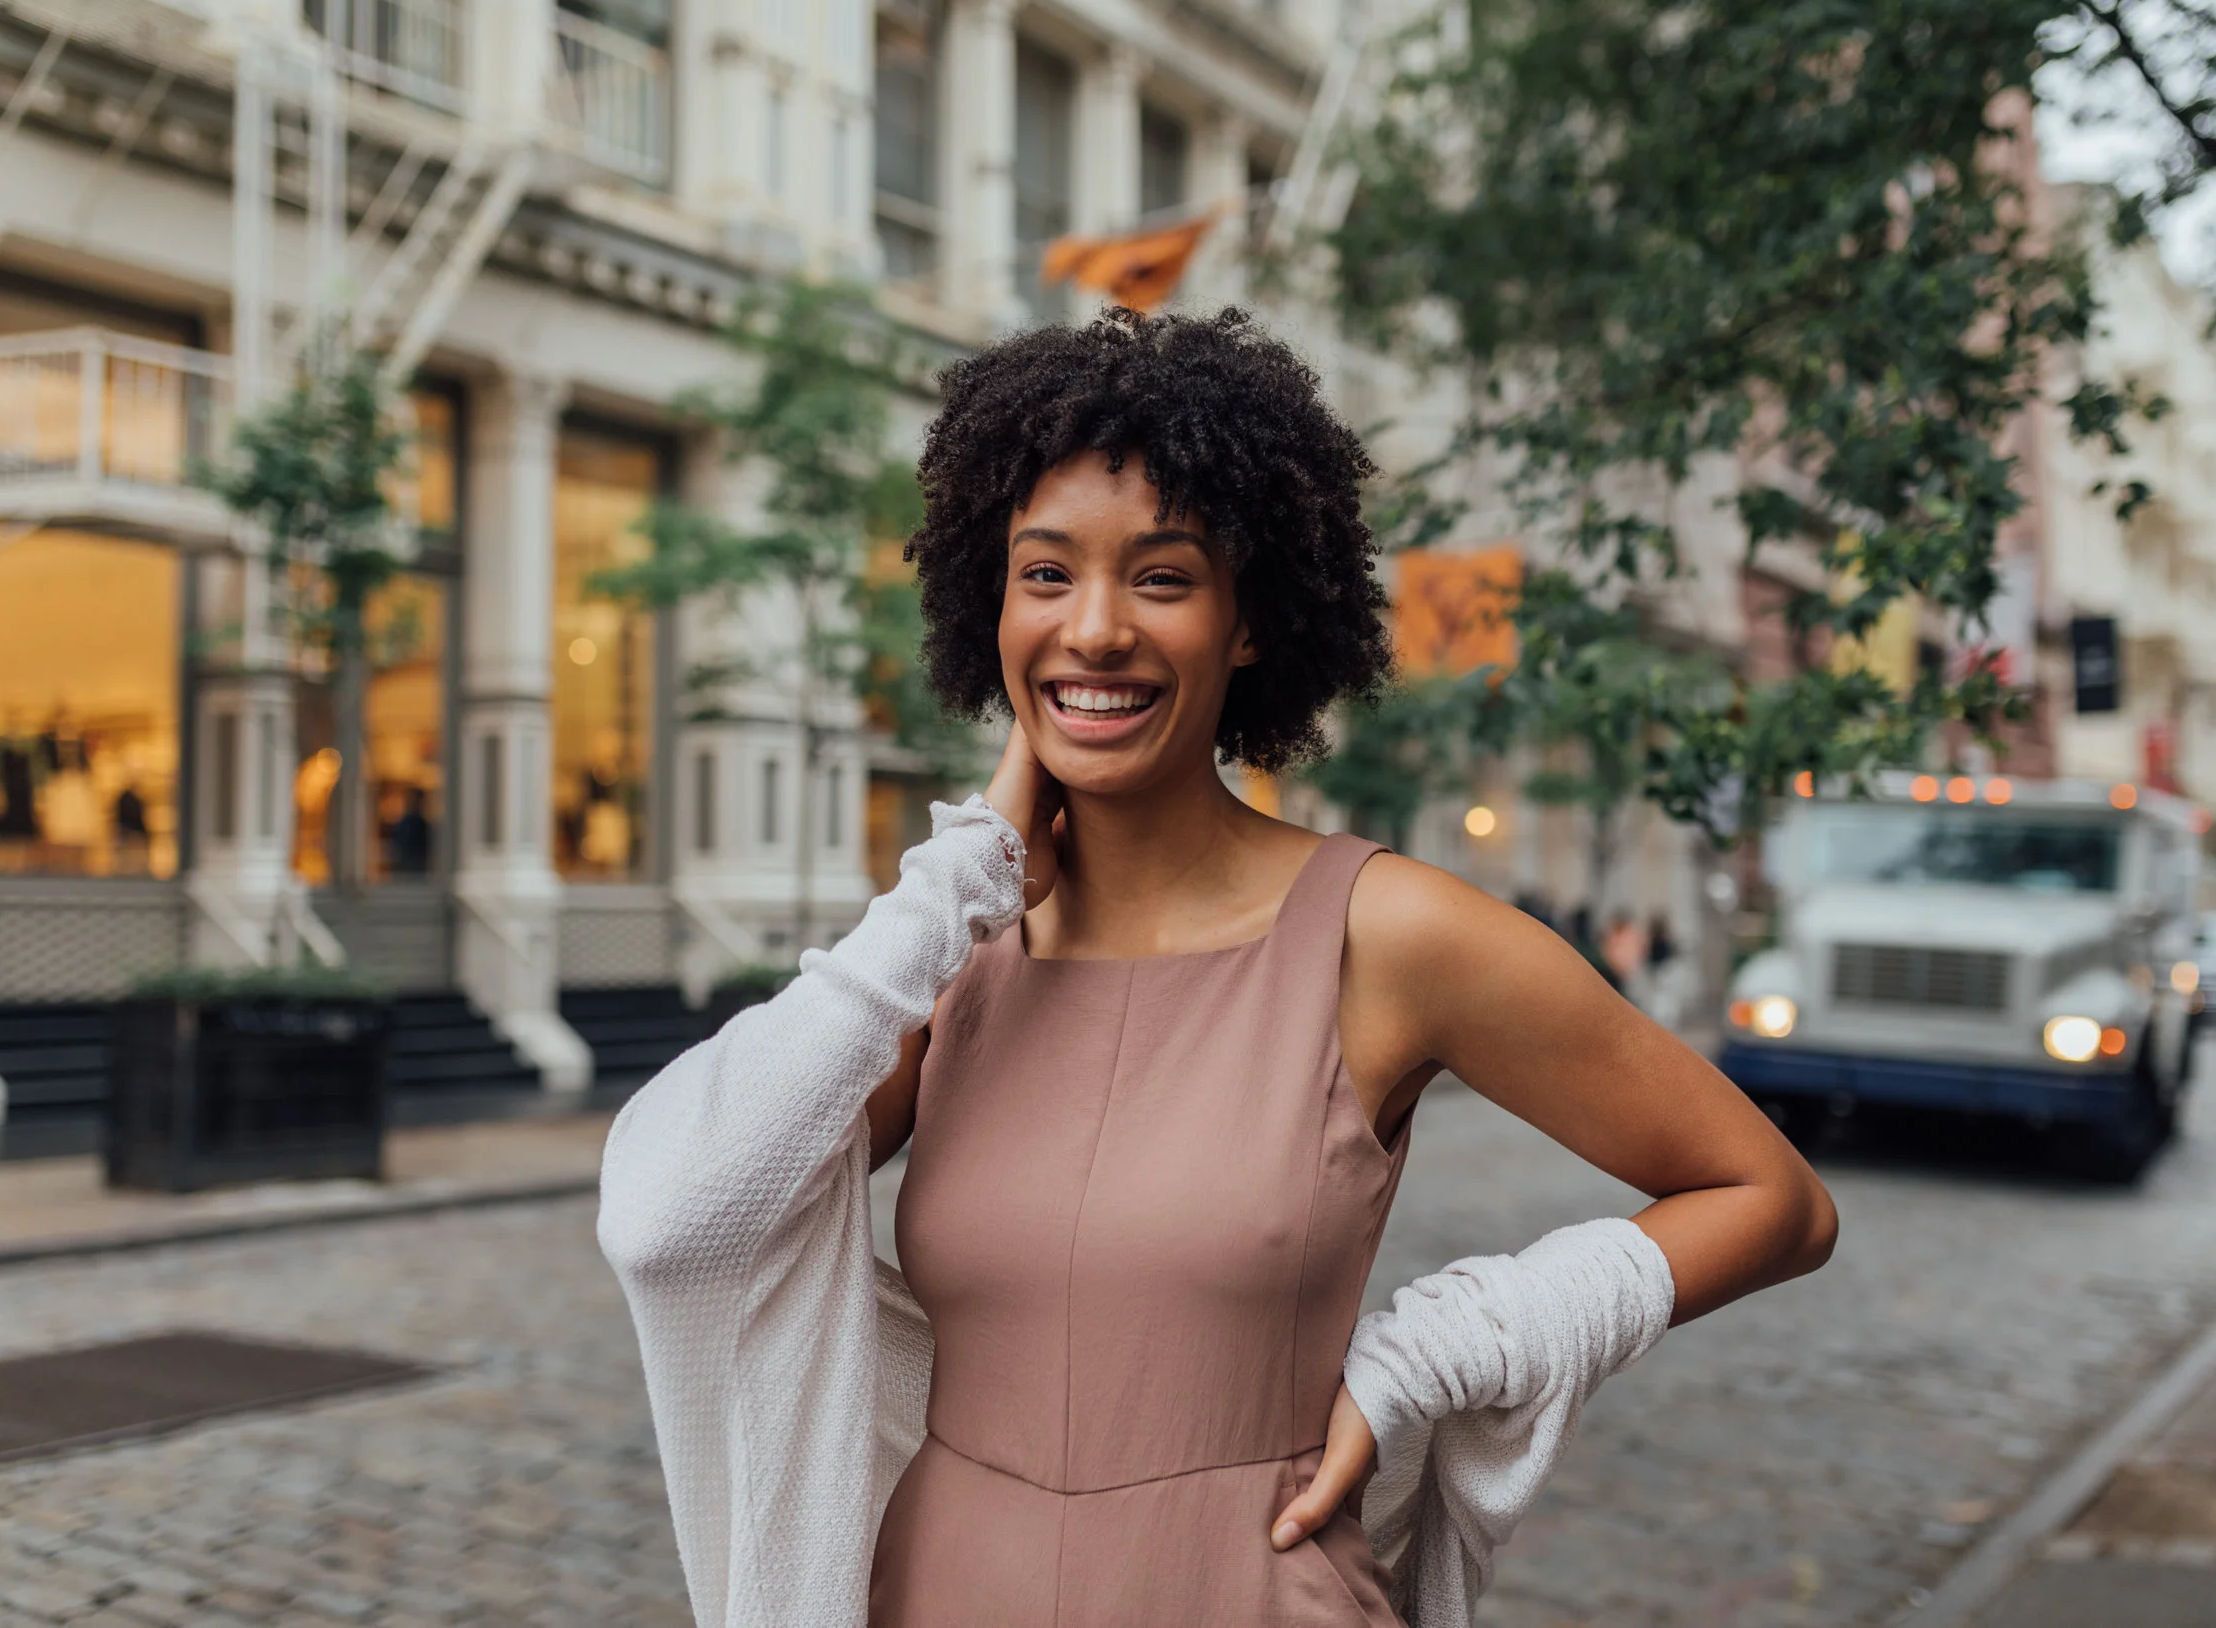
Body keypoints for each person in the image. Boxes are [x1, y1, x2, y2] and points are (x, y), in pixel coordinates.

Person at [598, 309, 1836, 1628]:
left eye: (1164, 576)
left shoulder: (1389, 935)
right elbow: (675, 1220)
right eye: (1045, 574)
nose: (1096, 628)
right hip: (944, 1587)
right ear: (989, 604)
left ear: (1251, 620)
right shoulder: (946, 957)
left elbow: (1772, 1196)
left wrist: (1441, 1350)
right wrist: (961, 877)